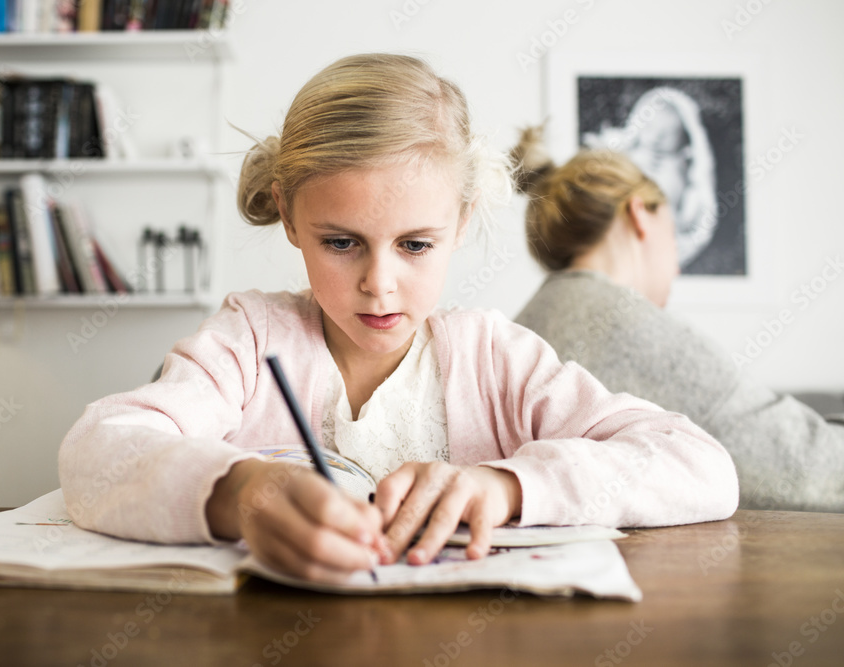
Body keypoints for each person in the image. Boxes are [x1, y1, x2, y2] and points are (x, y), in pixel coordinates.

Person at [58, 54, 738, 585]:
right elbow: (96, 451)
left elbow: (702, 466)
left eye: (415, 245)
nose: (379, 284)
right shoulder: (249, 339)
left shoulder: (496, 360)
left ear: (461, 222)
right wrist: (239, 491)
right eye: (341, 241)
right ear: (289, 216)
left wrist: (505, 484)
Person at [511, 126, 844, 512]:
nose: (676, 269)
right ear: (640, 213)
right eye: (673, 238)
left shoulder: (516, 330)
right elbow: (813, 472)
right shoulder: (633, 329)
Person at [583, 87, 718, 268]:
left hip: (669, 216)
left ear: (684, 137)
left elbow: (696, 185)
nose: (655, 138)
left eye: (666, 134)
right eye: (650, 128)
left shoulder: (682, 161)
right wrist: (634, 159)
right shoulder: (633, 152)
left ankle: (665, 226)